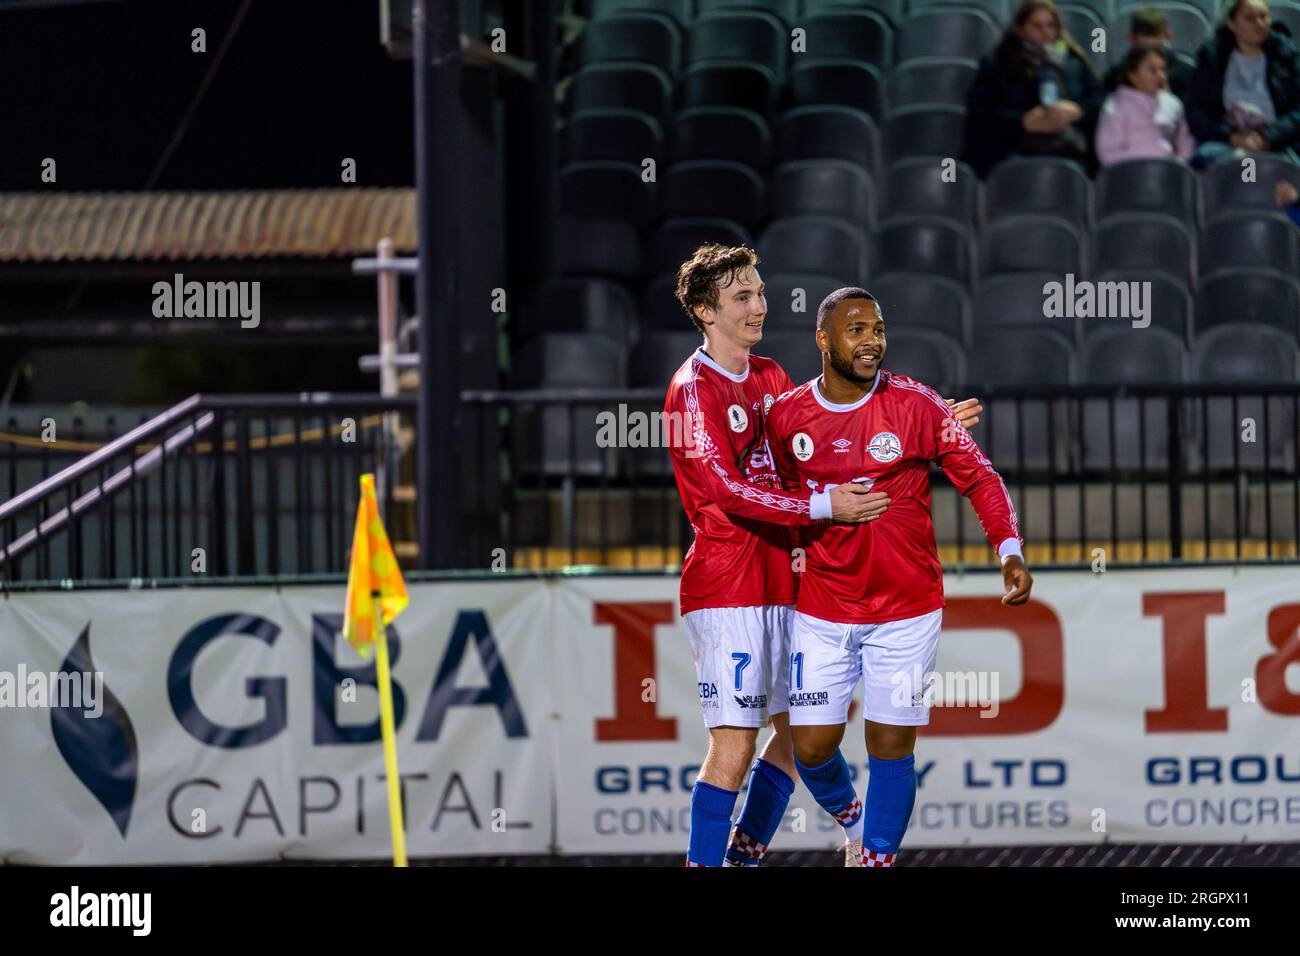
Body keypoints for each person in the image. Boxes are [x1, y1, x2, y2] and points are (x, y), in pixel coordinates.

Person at [664, 247, 982, 867]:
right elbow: (726, 490)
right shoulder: (690, 389)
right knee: (732, 747)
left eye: (759, 291)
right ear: (705, 312)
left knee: (793, 738)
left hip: (790, 578)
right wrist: (821, 509)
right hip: (730, 585)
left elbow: (828, 454)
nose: (759, 305)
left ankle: (751, 853)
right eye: (742, 297)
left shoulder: (771, 377)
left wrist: (934, 425)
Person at [765, 288, 1033, 867]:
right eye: (857, 330)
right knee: (811, 748)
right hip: (821, 607)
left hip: (906, 611)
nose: (872, 342)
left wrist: (1008, 550)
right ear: (824, 339)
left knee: (890, 745)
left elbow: (981, 479)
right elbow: (775, 498)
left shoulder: (915, 404)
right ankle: (855, 822)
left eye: (879, 329)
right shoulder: (787, 417)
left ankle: (876, 859)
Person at [962, 0, 1104, 177]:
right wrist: (1023, 122)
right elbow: (981, 115)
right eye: (1037, 26)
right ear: (1020, 29)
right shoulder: (997, 64)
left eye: (1051, 25)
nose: (1046, 33)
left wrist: (1078, 111)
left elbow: (1100, 100)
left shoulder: (1074, 62)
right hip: (1013, 150)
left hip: (1071, 148)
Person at [1186, 0, 1300, 165]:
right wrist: (1230, 137)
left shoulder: (1285, 54)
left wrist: (1267, 136)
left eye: (1263, 16)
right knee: (1231, 170)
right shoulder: (1212, 57)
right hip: (1226, 144)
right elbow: (1196, 111)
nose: (1259, 23)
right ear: (1232, 24)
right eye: (1250, 18)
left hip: (1279, 143)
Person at [1096, 46, 1196, 165]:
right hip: (1128, 176)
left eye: (1163, 69)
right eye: (1153, 70)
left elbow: (1185, 144)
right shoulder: (1115, 106)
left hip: (1167, 173)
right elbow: (1108, 153)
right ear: (1132, 75)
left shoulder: (1173, 103)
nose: (1161, 76)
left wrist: (1176, 165)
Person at [1104, 7, 1193, 100]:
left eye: (1155, 47)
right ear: (1132, 39)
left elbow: (1192, 110)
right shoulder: (1117, 74)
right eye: (1144, 48)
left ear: (1168, 36)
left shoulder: (1183, 73)